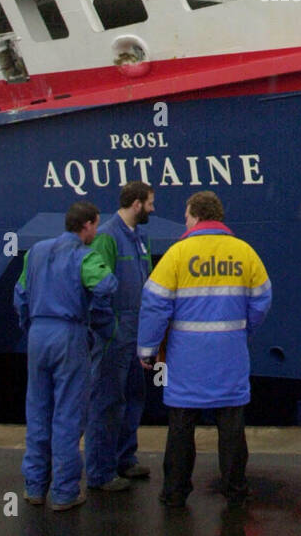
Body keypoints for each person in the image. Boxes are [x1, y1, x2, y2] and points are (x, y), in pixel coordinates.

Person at [137, 190, 271, 510]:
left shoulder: (177, 254)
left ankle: (175, 492)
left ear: (196, 216)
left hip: (187, 360)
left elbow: (155, 304)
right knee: (232, 430)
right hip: (229, 357)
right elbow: (262, 300)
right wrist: (242, 328)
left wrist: (147, 349)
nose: (184, 220)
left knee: (181, 429)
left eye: (186, 215)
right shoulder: (244, 252)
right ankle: (235, 491)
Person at [14, 202, 117, 511]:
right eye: (96, 226)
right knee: (68, 416)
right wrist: (101, 323)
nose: (96, 232)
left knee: (38, 412)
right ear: (86, 225)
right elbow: (106, 285)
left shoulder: (35, 253)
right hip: (68, 335)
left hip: (37, 334)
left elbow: (20, 296)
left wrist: (29, 326)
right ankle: (64, 492)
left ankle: (34, 487)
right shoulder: (84, 256)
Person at [85, 181, 155, 492]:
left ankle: (125, 459)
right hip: (115, 335)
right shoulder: (108, 237)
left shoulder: (140, 238)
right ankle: (100, 473)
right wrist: (108, 330)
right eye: (150, 203)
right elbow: (96, 286)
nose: (153, 209)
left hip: (136, 332)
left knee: (133, 396)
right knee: (107, 401)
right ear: (137, 204)